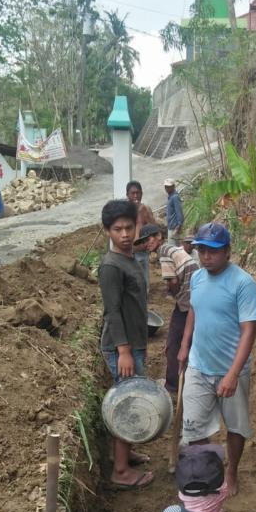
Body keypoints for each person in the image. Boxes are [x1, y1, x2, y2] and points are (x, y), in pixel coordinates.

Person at [178, 222, 256, 497]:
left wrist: (233, 373)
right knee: (193, 427)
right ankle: (207, 472)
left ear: (227, 251)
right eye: (202, 250)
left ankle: (232, 471)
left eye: (213, 251)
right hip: (199, 366)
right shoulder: (197, 278)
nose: (206, 257)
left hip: (230, 368)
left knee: (236, 426)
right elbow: (193, 311)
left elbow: (249, 330)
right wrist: (184, 344)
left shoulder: (243, 284)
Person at [98, 199, 154, 491]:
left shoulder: (129, 257)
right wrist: (123, 351)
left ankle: (126, 452)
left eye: (129, 227)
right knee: (128, 405)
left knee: (130, 398)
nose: (124, 234)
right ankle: (120, 471)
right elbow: (113, 311)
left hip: (133, 344)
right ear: (107, 231)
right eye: (117, 229)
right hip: (123, 347)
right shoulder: (111, 266)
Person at [133, 224, 198, 393]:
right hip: (196, 296)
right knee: (189, 339)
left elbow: (174, 282)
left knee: (174, 344)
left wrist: (174, 295)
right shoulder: (172, 248)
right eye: (144, 241)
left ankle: (172, 385)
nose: (147, 243)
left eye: (149, 239)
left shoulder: (163, 252)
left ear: (159, 236)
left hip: (187, 301)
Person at [126, 180, 157, 292]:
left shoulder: (145, 210)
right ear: (127, 195)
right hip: (127, 251)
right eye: (132, 193)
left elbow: (154, 228)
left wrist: (150, 244)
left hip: (141, 251)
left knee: (143, 281)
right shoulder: (125, 211)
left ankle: (143, 299)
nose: (135, 196)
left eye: (138, 193)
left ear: (142, 194)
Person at [163, 178, 184, 246]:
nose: (167, 188)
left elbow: (179, 212)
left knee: (173, 248)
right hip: (171, 226)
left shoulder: (174, 197)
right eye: (166, 187)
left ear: (173, 186)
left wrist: (178, 227)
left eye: (169, 187)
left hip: (174, 228)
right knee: (175, 247)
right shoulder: (170, 197)